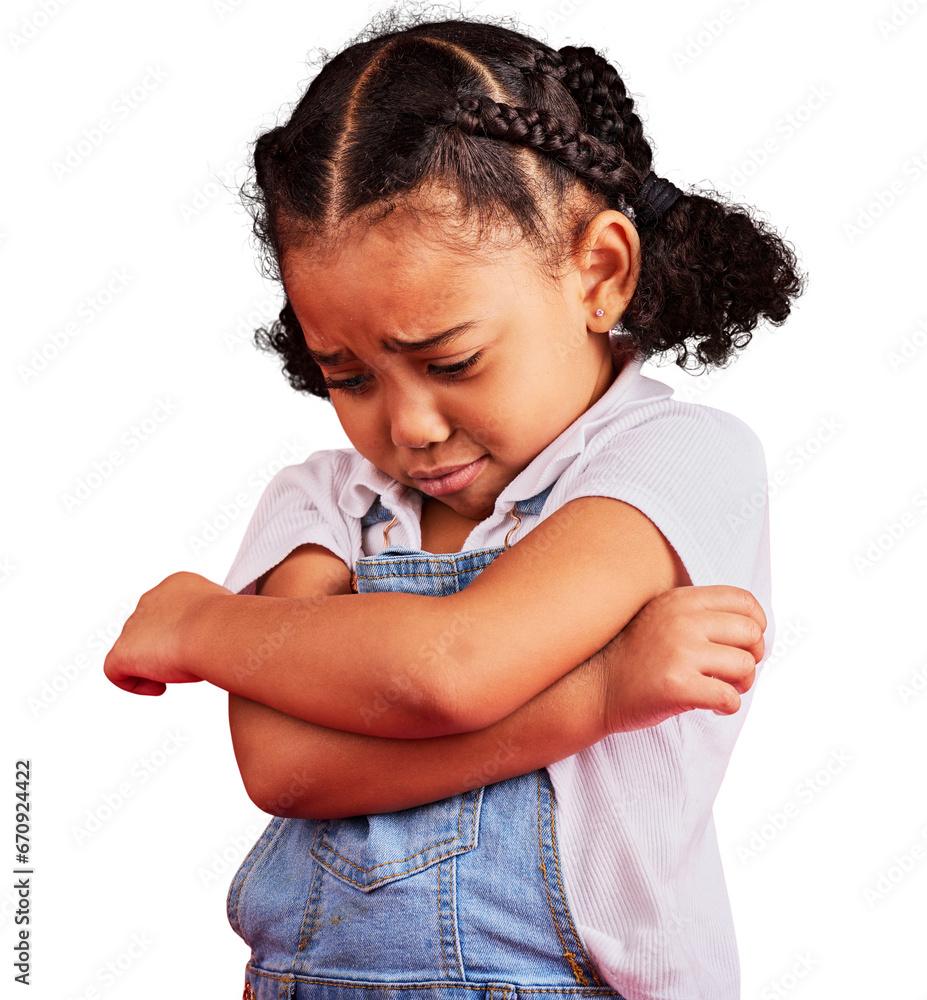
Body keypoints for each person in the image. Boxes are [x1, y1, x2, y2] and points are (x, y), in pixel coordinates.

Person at [103, 10, 804, 998]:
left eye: (451, 361)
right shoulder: (325, 498)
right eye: (345, 374)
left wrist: (205, 625)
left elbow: (451, 668)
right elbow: (285, 766)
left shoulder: (675, 460)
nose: (411, 425)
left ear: (597, 272)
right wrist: (591, 695)